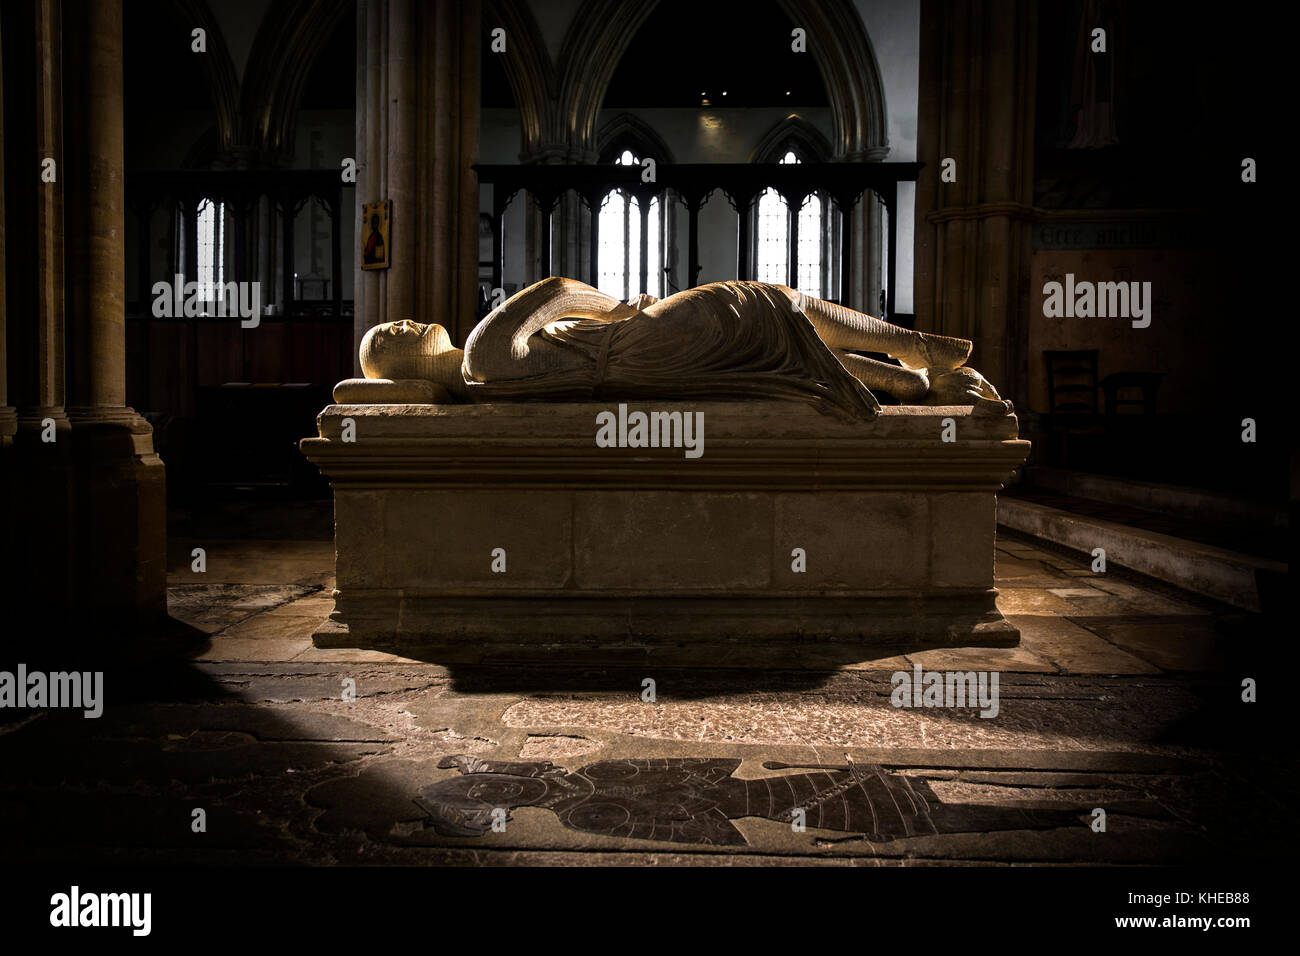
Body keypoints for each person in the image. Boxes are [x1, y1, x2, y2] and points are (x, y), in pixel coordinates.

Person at [360, 277, 1013, 417]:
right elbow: (557, 290)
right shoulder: (478, 353)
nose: (402, 322)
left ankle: (910, 378)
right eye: (388, 337)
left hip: (642, 366)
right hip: (643, 344)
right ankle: (913, 350)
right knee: (765, 303)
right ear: (402, 363)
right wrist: (624, 307)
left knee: (781, 345)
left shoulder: (481, 379)